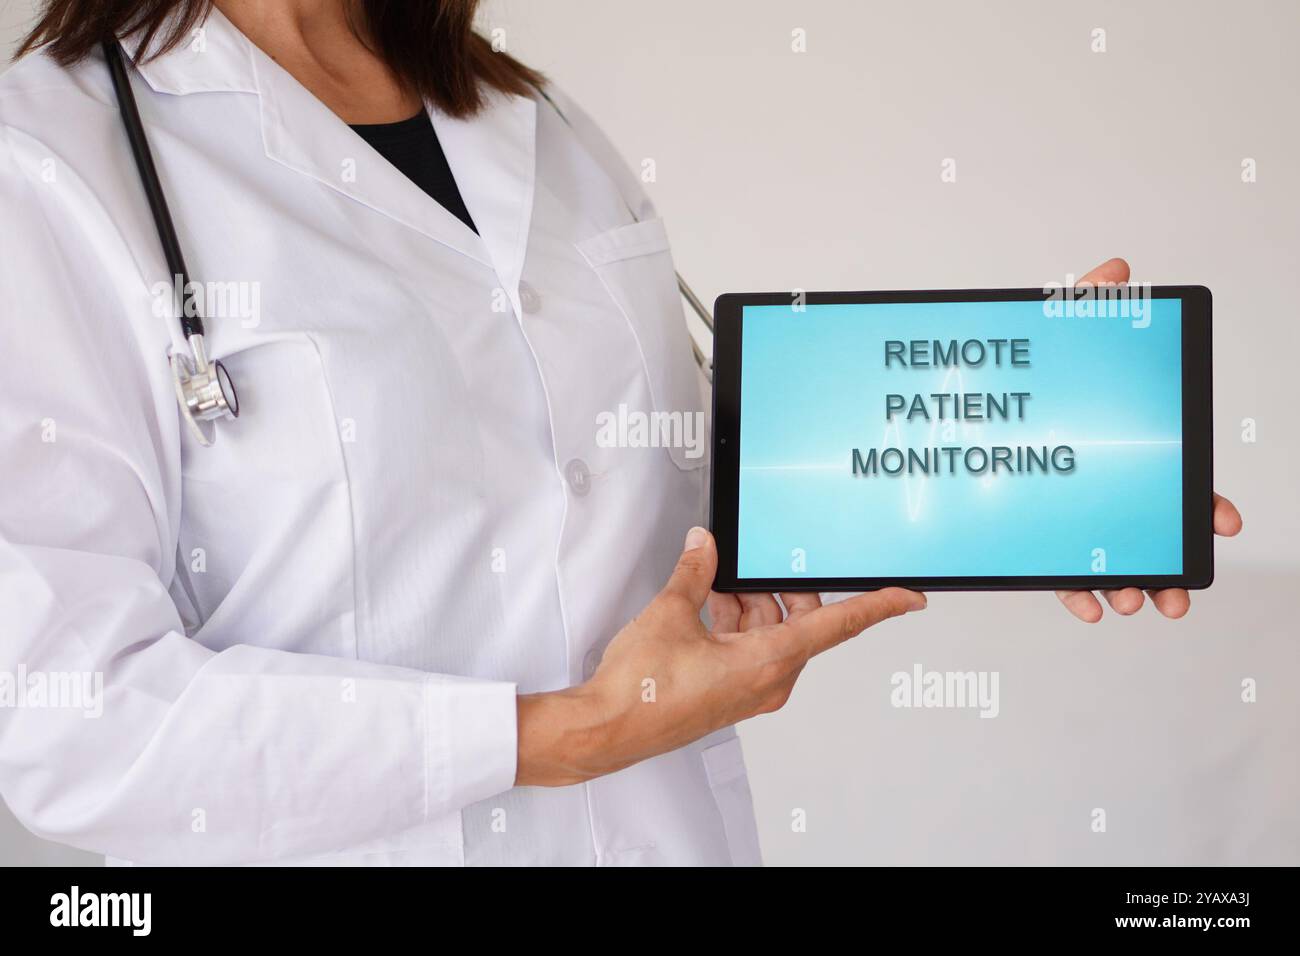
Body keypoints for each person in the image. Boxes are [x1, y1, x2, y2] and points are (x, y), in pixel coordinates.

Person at [0, 0, 1242, 866]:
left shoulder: (526, 115)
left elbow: (671, 494)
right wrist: (556, 739)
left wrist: (1028, 456)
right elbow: (68, 714)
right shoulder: (50, 162)